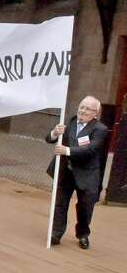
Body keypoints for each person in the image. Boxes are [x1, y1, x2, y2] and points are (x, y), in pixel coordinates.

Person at [47, 95, 109, 249]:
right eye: (81, 106)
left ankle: (83, 234)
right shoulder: (70, 121)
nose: (83, 110)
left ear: (96, 113)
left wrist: (66, 150)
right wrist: (55, 132)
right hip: (65, 172)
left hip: (86, 174)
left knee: (85, 207)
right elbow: (50, 139)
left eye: (87, 108)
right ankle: (56, 233)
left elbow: (91, 149)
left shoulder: (100, 129)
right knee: (59, 203)